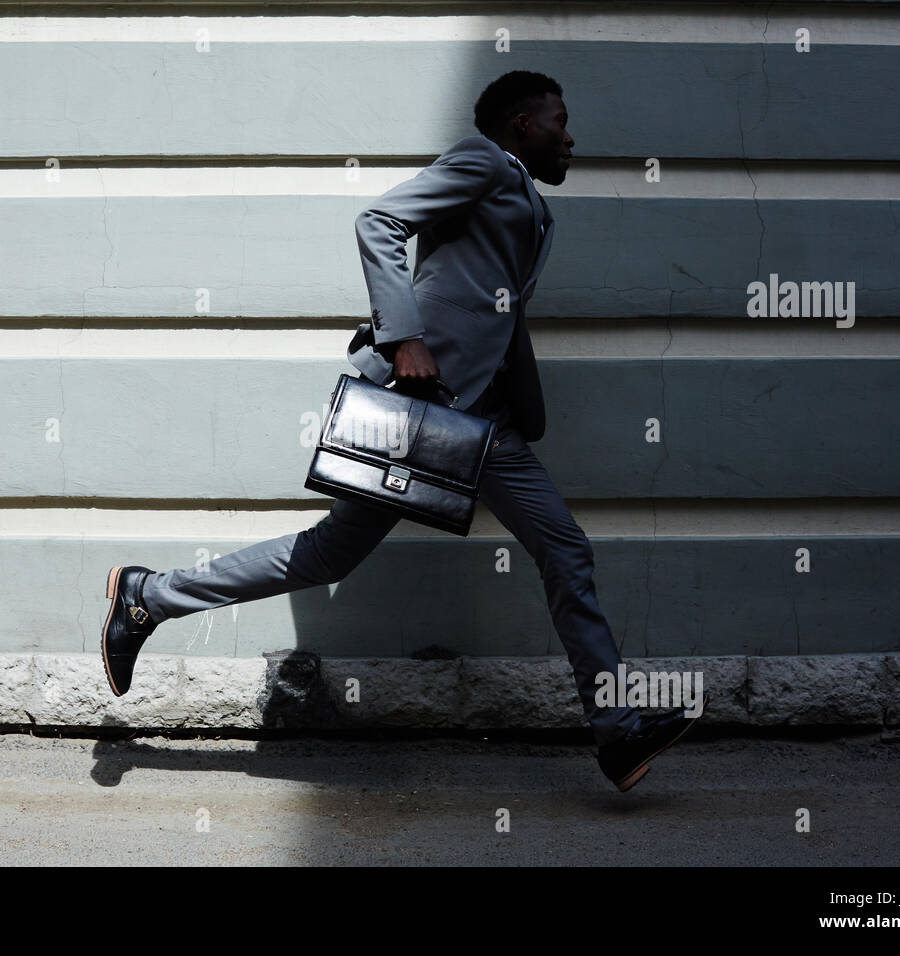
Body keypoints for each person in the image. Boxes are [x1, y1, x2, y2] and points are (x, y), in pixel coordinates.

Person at [102, 71, 703, 791]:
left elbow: (494, 308)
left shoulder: (529, 203)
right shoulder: (485, 163)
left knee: (561, 551)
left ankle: (616, 731)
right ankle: (148, 596)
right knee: (333, 554)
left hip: (482, 422)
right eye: (560, 121)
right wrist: (404, 339)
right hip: (427, 405)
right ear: (521, 125)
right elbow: (379, 222)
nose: (571, 137)